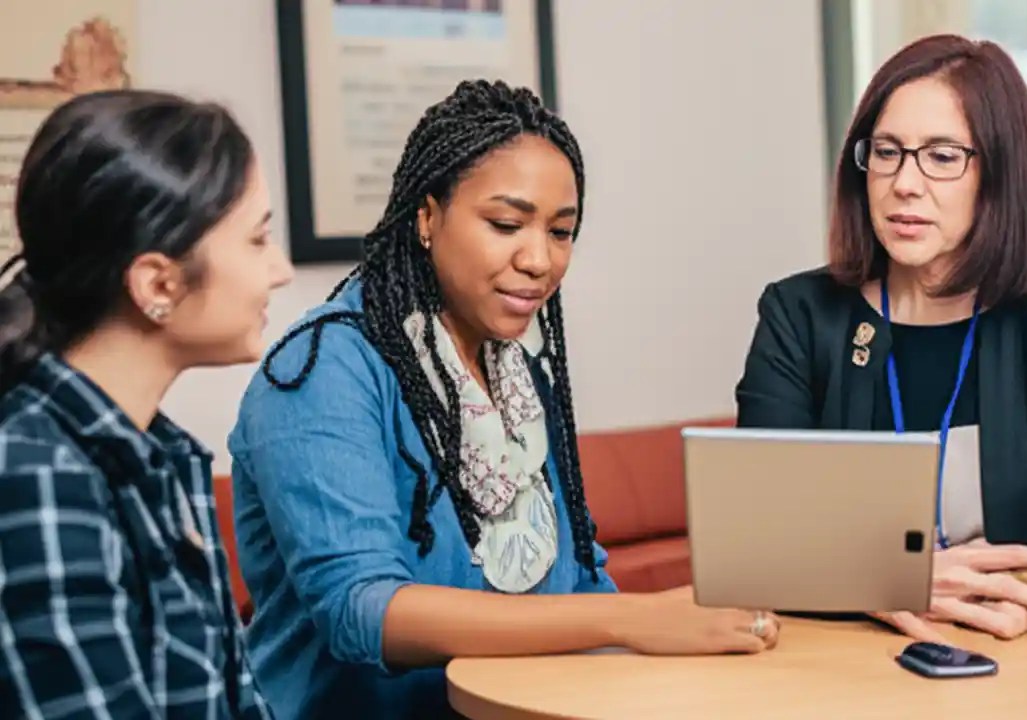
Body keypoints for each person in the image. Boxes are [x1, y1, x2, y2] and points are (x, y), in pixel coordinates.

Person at [228, 79, 780, 720]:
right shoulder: (324, 367)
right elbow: (363, 612)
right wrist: (634, 618)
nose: (540, 259)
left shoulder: (516, 368)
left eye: (562, 232)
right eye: (506, 225)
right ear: (428, 217)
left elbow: (579, 575)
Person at [735, 35, 1027, 643]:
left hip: (1021, 649)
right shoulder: (799, 315)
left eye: (942, 156)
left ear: (1000, 173)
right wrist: (897, 581)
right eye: (887, 152)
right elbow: (760, 545)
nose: (904, 182)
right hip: (849, 656)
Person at [0, 89, 293, 718]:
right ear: (158, 282)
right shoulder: (36, 476)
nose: (281, 270)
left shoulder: (161, 453)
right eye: (258, 240)